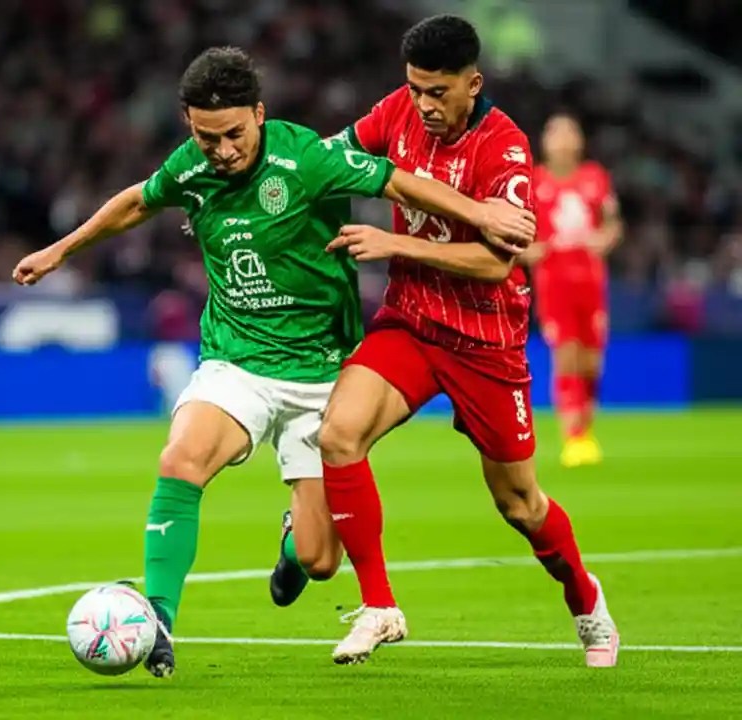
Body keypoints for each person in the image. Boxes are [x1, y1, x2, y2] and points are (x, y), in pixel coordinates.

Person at [12, 46, 536, 679]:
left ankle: (294, 542)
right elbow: (137, 201)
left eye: (234, 133)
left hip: (322, 376)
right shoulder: (191, 168)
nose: (223, 150)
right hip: (237, 362)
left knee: (319, 562)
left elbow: (396, 180)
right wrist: (61, 251)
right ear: (189, 125)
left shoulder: (308, 157)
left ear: (259, 114)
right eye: (208, 137)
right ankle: (156, 618)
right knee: (181, 459)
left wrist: (480, 213)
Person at [267, 15, 620, 668]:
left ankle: (583, 592)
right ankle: (379, 607)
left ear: (472, 83)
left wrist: (394, 242)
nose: (423, 105)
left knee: (519, 504)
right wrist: (263, 189)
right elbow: (324, 157)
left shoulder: (505, 148)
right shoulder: (398, 112)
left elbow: (498, 262)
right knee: (339, 434)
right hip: (412, 322)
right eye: (415, 89)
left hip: (484, 341)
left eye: (437, 92)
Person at [522, 112, 622, 467]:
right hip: (554, 280)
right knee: (567, 354)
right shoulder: (533, 182)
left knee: (593, 361)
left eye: (570, 132)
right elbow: (519, 233)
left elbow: (612, 224)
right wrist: (527, 250)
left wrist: (605, 240)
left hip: (591, 280)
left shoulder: (595, 178)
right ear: (545, 141)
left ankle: (587, 430)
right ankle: (572, 436)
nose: (564, 140)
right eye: (556, 133)